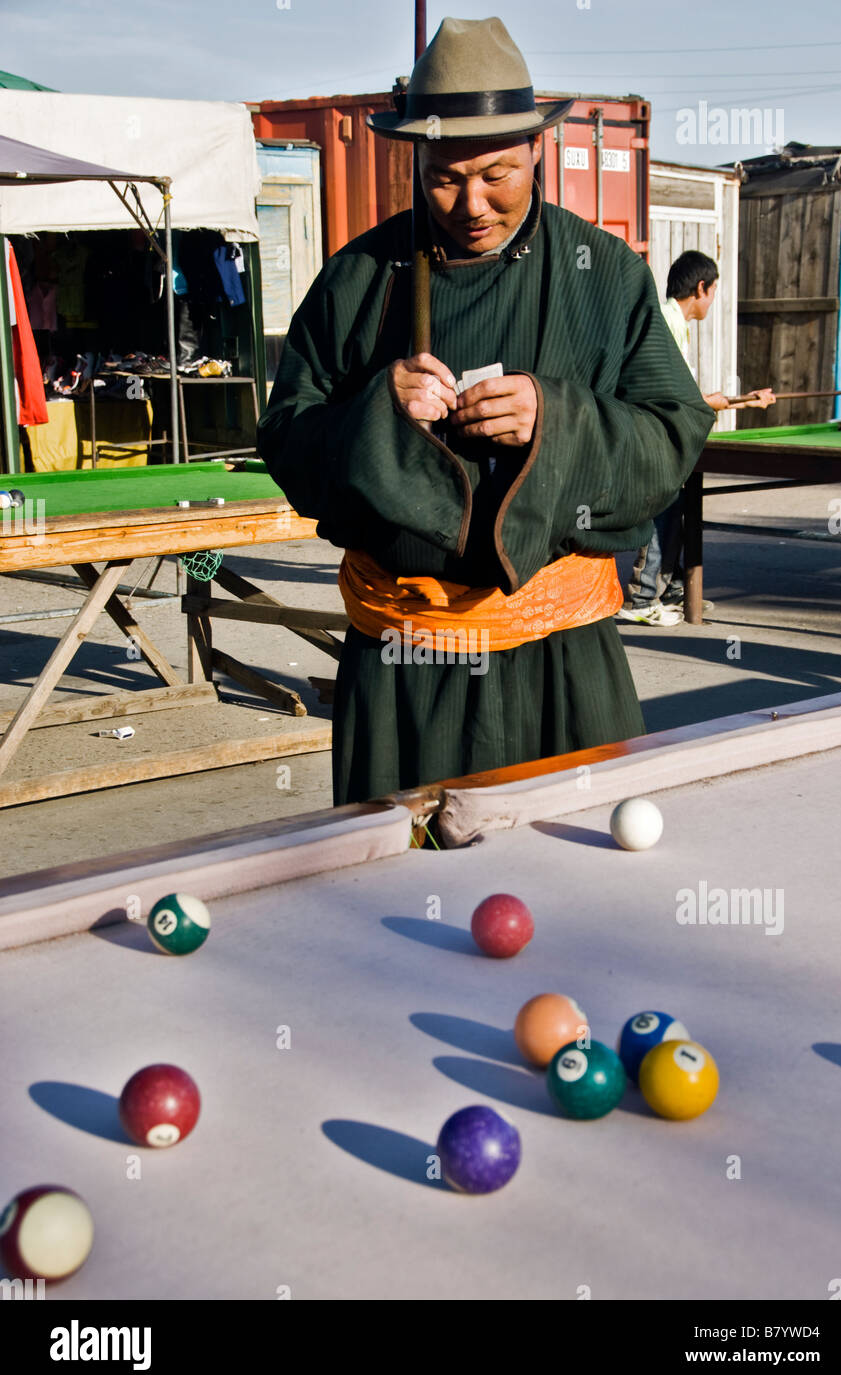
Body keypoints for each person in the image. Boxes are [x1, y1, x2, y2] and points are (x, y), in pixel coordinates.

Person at [257, 17, 714, 809]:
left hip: (563, 660)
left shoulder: (602, 275)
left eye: (498, 173)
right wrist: (375, 410)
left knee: (581, 894)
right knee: (393, 890)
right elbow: (288, 442)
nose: (472, 204)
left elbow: (674, 436)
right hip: (405, 666)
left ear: (537, 148)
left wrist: (557, 417)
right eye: (444, 177)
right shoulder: (359, 278)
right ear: (415, 159)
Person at [619, 250, 775, 624]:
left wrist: (741, 402)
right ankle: (640, 601)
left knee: (678, 513)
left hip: (669, 438)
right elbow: (671, 397)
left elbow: (685, 397)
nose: (713, 299)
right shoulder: (664, 323)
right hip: (653, 439)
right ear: (701, 287)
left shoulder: (676, 324)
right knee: (662, 514)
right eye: (714, 290)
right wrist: (729, 403)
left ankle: (672, 592)